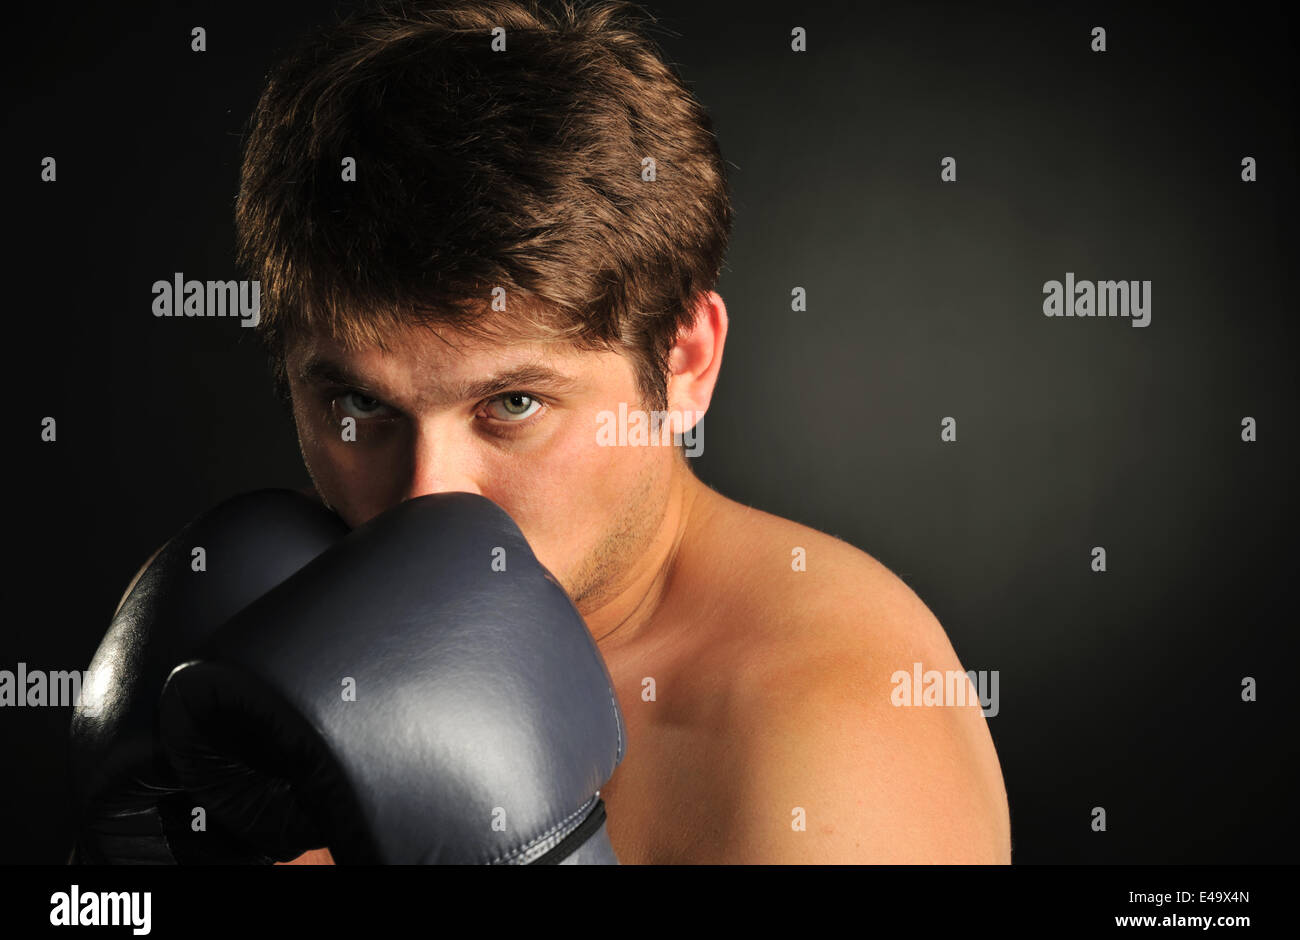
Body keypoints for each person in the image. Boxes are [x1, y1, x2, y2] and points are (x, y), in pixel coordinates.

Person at [141, 0, 1012, 863]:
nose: (425, 500)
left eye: (513, 404)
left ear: (685, 362)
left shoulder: (834, 728)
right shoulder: (262, 644)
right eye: (364, 407)